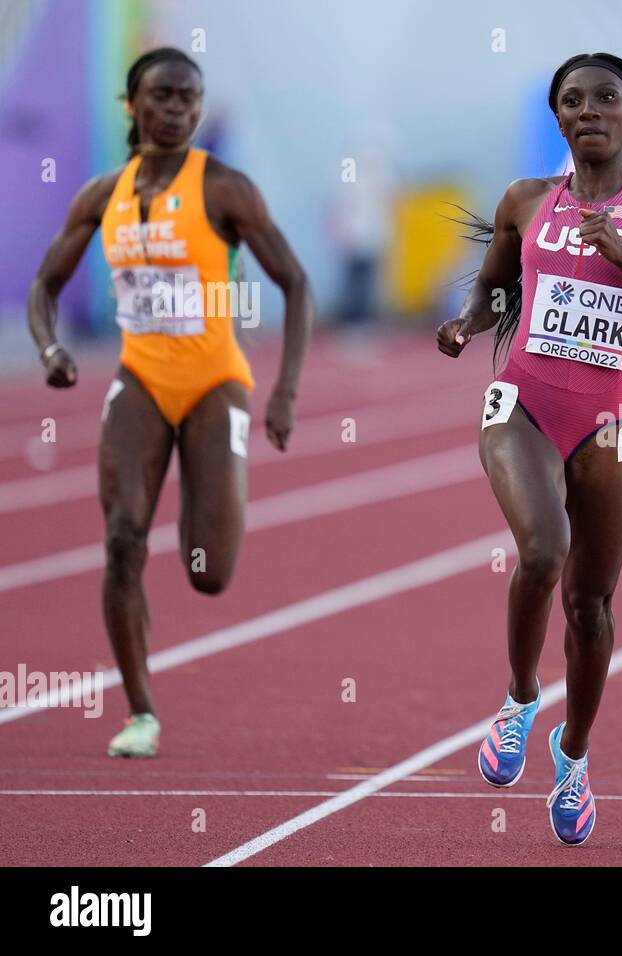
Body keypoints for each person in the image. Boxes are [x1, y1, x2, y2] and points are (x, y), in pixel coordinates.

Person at [438, 52, 622, 844]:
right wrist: (466, 323)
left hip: (608, 418)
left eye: (605, 98)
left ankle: (576, 754)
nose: (587, 109)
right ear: (557, 118)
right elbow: (495, 289)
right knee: (543, 550)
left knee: (591, 608)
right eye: (571, 100)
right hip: (520, 401)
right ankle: (520, 701)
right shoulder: (526, 200)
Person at [27, 47, 313, 757]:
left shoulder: (224, 188)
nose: (179, 109)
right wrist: (51, 349)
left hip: (216, 381)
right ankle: (141, 713)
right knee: (122, 541)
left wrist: (283, 391)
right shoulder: (102, 195)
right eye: (163, 96)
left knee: (207, 572)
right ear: (134, 105)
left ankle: (202, 498)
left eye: (191, 98)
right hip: (140, 380)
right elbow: (43, 289)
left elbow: (298, 284)